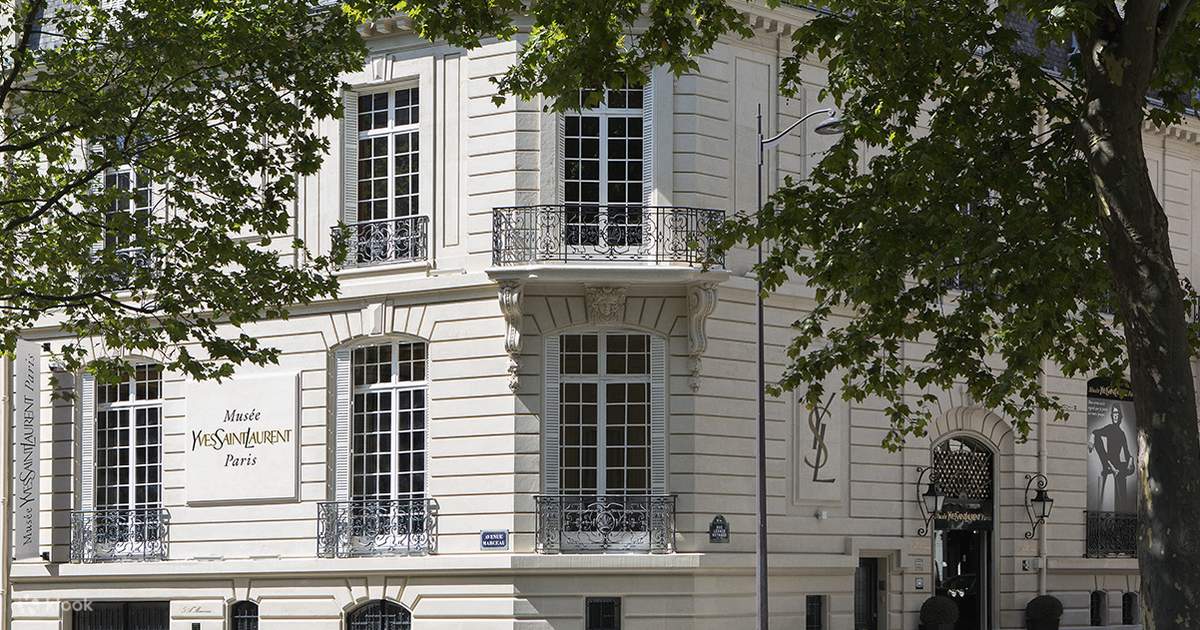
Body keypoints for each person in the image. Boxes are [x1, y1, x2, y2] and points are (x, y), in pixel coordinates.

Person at [1090, 404, 1134, 511]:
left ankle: (1115, 471)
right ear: (1112, 415)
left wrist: (1131, 460)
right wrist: (1091, 437)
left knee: (1129, 469)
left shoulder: (1122, 434)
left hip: (1117, 464)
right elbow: (1096, 432)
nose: (1115, 416)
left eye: (1117, 413)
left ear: (1120, 416)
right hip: (1107, 461)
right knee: (1097, 439)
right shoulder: (1109, 428)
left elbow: (1127, 453)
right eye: (1114, 413)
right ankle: (1111, 468)